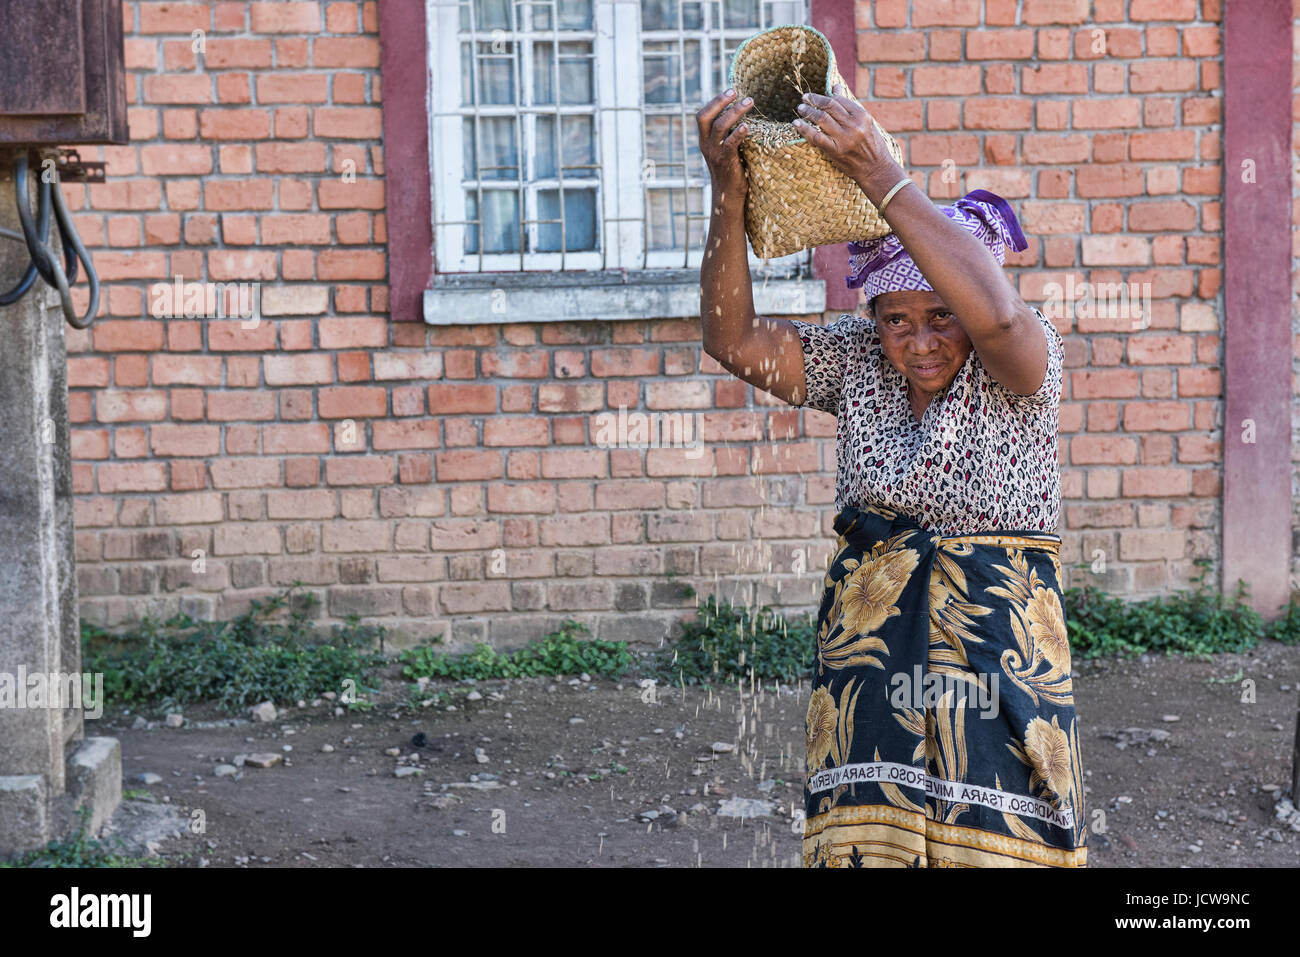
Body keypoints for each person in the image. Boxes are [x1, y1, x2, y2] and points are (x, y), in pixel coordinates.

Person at [697, 84, 1086, 867]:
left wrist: (883, 178)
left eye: (942, 313)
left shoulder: (1018, 361)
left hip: (997, 658)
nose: (919, 342)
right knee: (866, 846)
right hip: (870, 656)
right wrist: (729, 194)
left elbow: (1001, 319)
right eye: (896, 319)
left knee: (1005, 843)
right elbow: (731, 340)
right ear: (872, 319)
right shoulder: (857, 360)